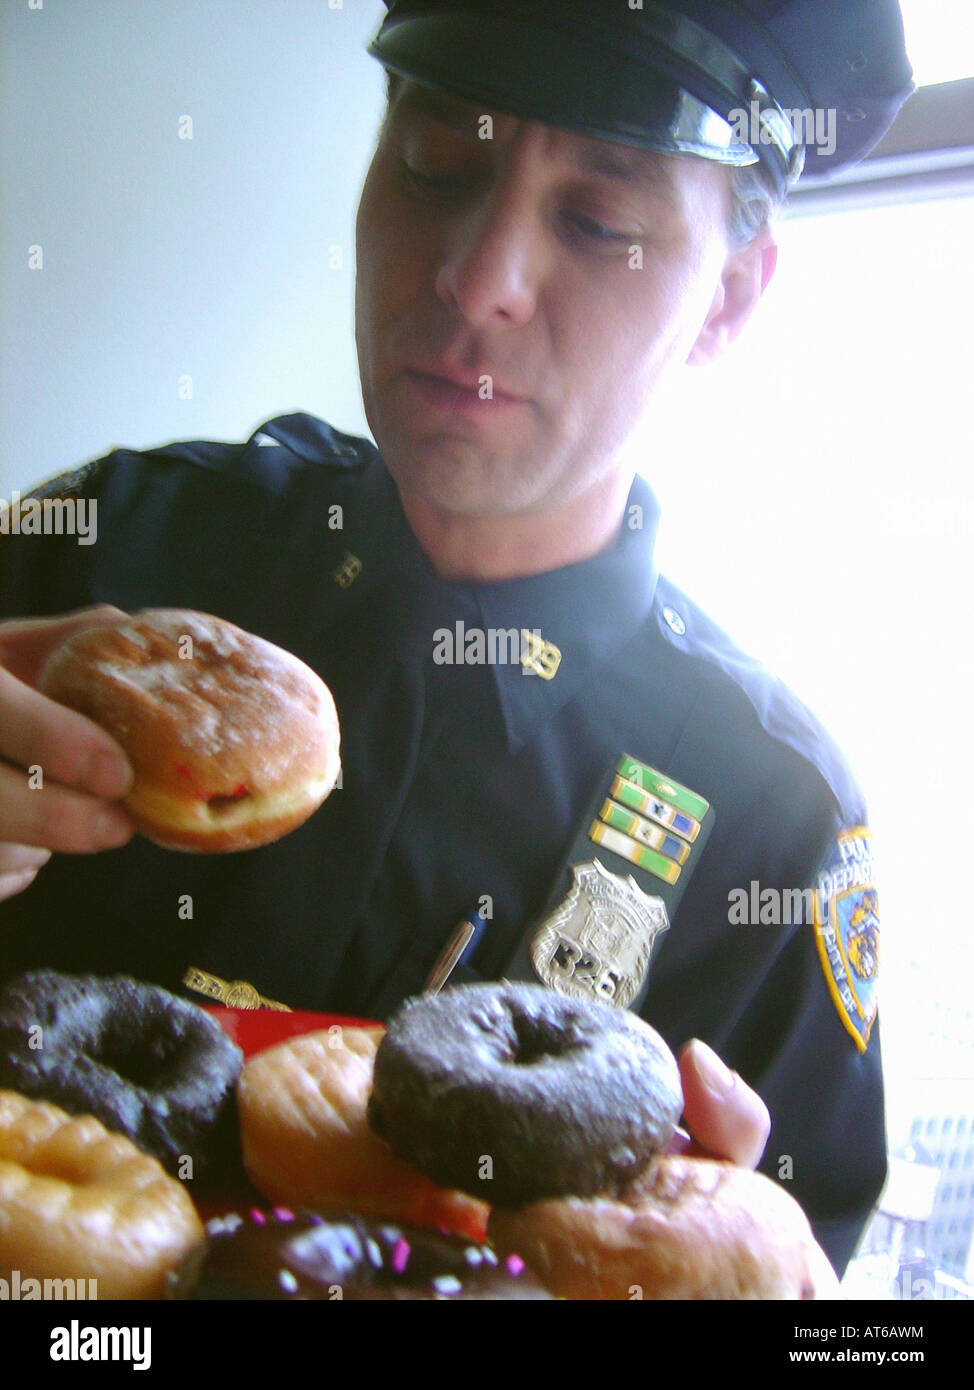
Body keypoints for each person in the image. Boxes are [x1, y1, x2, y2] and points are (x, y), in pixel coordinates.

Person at [0, 1, 914, 1278]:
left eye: (598, 222)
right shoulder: (98, 551)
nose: (474, 278)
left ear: (726, 298)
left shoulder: (773, 825)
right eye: (438, 163)